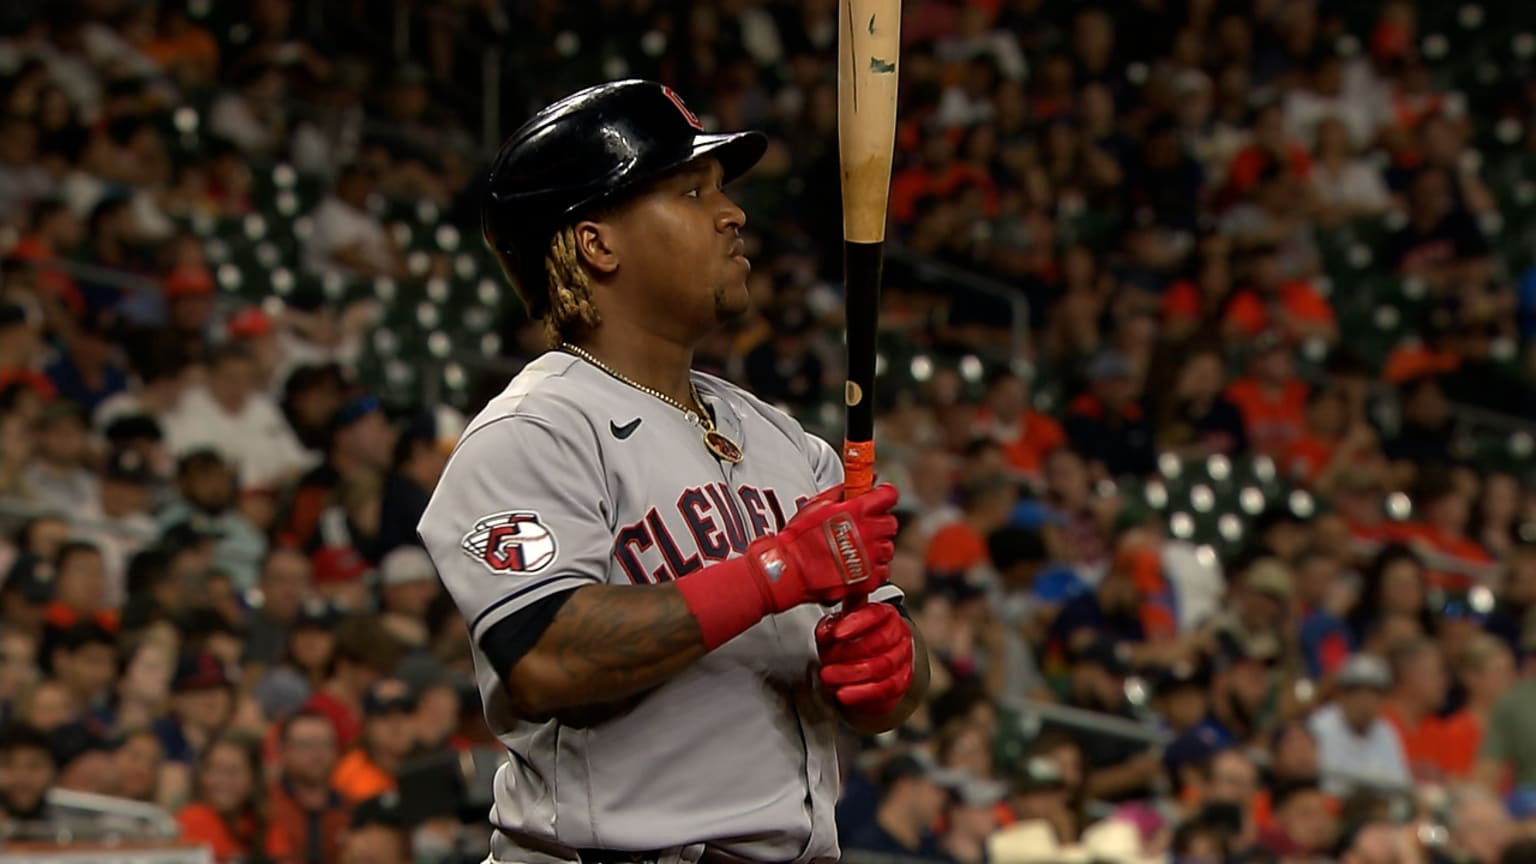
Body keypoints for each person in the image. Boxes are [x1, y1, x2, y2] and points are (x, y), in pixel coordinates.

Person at [419, 80, 922, 864]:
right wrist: (779, 569)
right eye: (691, 192)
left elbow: (883, 685)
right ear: (596, 243)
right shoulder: (535, 431)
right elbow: (547, 656)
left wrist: (888, 668)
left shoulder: (785, 441)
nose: (733, 214)